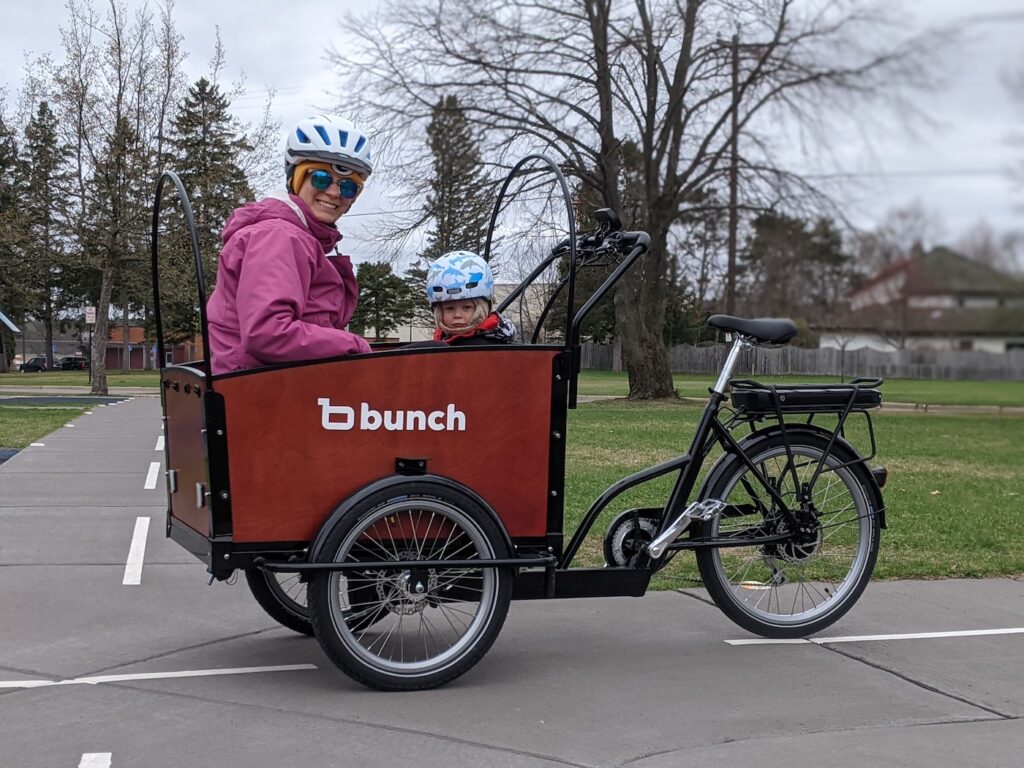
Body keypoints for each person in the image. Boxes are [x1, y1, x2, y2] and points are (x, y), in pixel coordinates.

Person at [206, 113, 374, 374]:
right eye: (321, 178)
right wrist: (354, 345)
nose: (333, 192)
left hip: (282, 387)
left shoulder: (301, 237)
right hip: (262, 394)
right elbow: (268, 332)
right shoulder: (279, 236)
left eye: (348, 187)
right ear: (296, 178)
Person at [425, 251, 517, 345]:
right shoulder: (435, 346)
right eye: (449, 308)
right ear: (438, 313)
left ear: (484, 308)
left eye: (467, 307)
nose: (457, 315)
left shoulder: (499, 347)